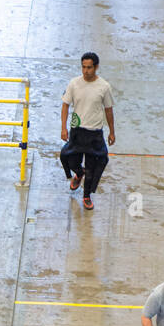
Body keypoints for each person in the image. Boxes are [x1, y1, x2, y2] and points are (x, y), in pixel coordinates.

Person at [59, 51, 115, 211]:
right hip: (77, 131)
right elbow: (65, 105)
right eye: (83, 67)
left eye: (89, 67)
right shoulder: (74, 84)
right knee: (66, 156)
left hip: (94, 132)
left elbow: (109, 110)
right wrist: (63, 128)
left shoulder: (104, 87)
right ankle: (78, 173)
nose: (86, 71)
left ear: (96, 67)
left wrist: (112, 131)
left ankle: (86, 196)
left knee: (93, 165)